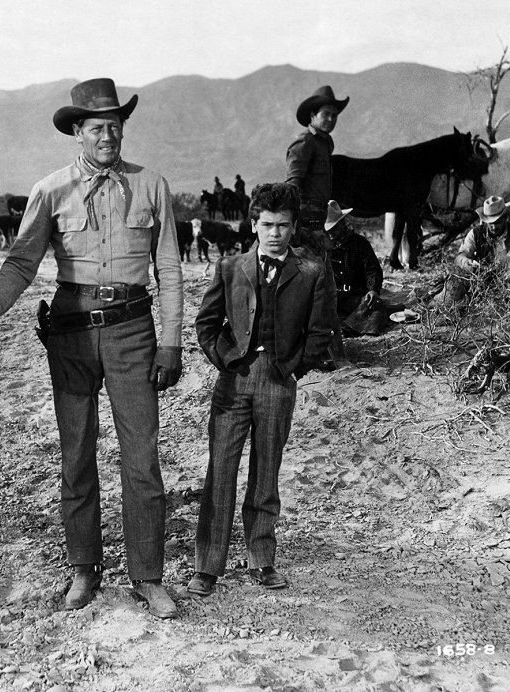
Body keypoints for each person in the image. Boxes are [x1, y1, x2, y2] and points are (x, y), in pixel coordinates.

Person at [0, 78, 184, 619]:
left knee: (141, 458)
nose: (108, 135)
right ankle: (84, 567)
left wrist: (171, 342)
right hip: (71, 335)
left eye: (115, 125)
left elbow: (170, 269)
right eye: (96, 127)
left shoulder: (152, 185)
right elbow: (21, 262)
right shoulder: (50, 191)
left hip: (134, 332)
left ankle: (148, 576)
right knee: (77, 454)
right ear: (77, 133)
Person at [187, 183, 334, 597]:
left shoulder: (312, 271)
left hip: (278, 380)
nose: (275, 233)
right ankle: (207, 566)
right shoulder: (230, 267)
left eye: (283, 225)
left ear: (294, 226)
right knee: (220, 470)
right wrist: (226, 360)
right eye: (267, 224)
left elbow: (320, 332)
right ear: (253, 224)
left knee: (267, 471)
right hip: (233, 381)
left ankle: (262, 559)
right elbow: (206, 324)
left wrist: (292, 369)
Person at [285, 85, 349, 254]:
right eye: (325, 114)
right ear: (313, 115)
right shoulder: (305, 142)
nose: (330, 119)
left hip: (320, 215)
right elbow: (293, 183)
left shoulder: (326, 142)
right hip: (304, 216)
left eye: (334, 115)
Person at [444, 195, 510, 306]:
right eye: (490, 223)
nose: (494, 227)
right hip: (481, 284)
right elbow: (459, 257)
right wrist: (466, 262)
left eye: (498, 222)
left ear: (505, 218)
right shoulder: (475, 234)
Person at [323, 200, 386, 336]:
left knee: (376, 307)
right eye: (327, 231)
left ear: (342, 224)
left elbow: (372, 270)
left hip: (356, 298)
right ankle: (350, 325)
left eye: (333, 229)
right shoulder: (322, 247)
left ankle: (347, 328)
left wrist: (373, 290)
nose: (330, 234)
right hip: (332, 299)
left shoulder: (360, 243)